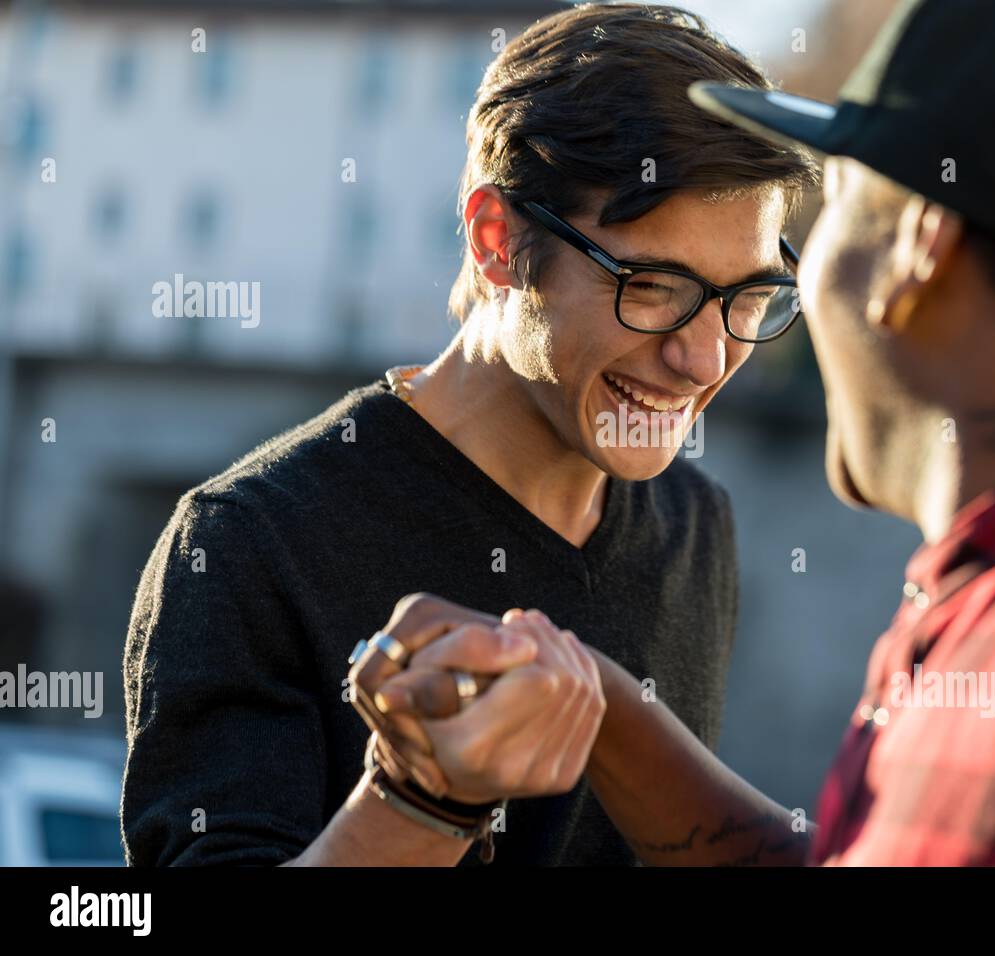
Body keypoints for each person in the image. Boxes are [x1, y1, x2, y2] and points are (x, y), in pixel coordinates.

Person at [374, 0, 995, 865]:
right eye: (654, 285)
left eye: (833, 210)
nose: (703, 358)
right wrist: (600, 706)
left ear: (916, 249)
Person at [120, 3, 816, 867]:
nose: (704, 356)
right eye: (654, 285)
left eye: (748, 296)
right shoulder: (247, 543)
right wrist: (417, 800)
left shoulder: (693, 523)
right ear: (497, 241)